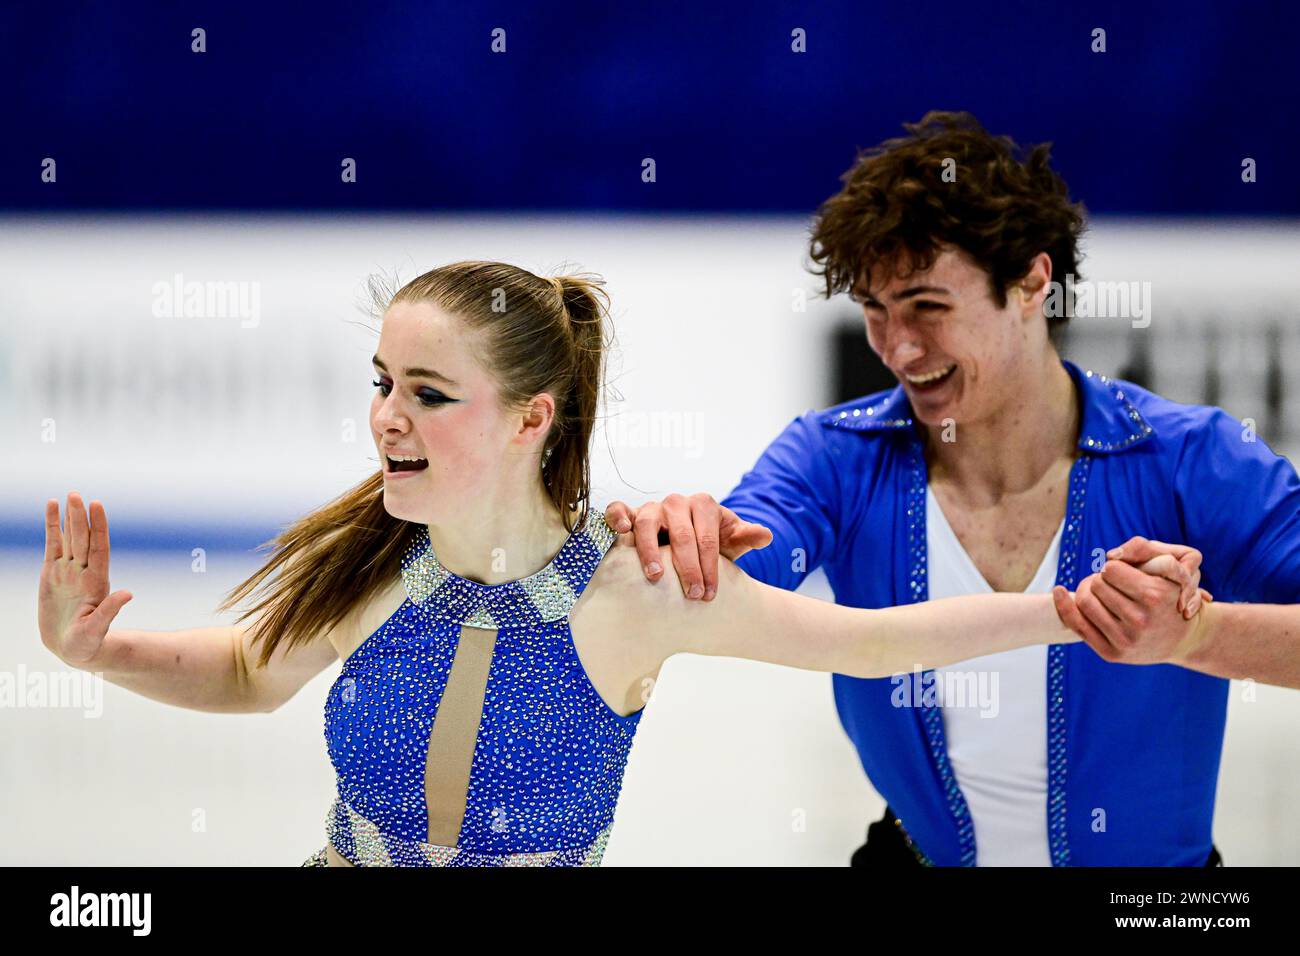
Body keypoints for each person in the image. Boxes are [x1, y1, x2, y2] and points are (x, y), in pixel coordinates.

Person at [36, 260, 1202, 867]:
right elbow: (247, 669)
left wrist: (1059, 608)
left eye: (427, 393)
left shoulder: (630, 591)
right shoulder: (373, 559)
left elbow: (867, 640)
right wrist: (98, 648)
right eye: (381, 383)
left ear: (532, 417)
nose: (387, 415)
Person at [607, 111, 1300, 867]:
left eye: (927, 307)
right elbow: (743, 551)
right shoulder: (832, 457)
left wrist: (1197, 634)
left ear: (1031, 283)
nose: (898, 348)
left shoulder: (1193, 458)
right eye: (875, 311)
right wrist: (691, 537)